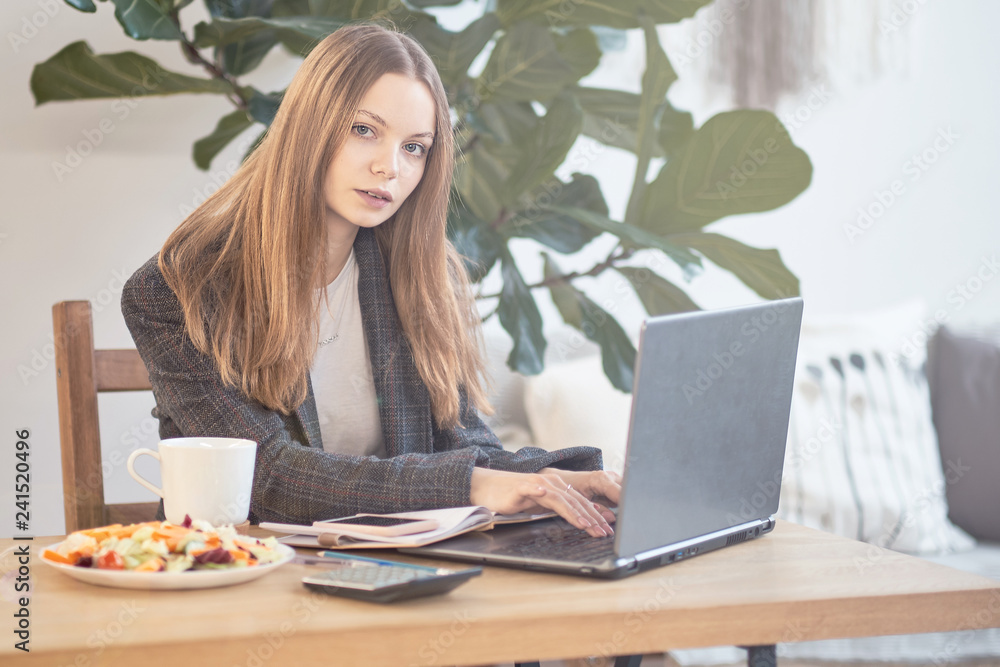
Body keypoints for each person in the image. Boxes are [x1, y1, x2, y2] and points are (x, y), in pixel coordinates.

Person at [121, 22, 620, 537]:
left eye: (415, 148)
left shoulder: (421, 275)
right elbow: (267, 479)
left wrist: (555, 477)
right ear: (310, 125)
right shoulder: (179, 290)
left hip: (396, 562)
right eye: (365, 130)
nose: (391, 168)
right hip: (243, 572)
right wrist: (470, 482)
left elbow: (463, 447)